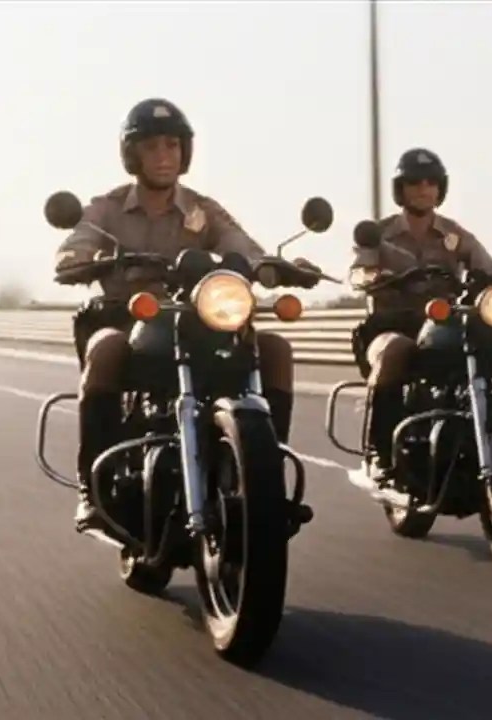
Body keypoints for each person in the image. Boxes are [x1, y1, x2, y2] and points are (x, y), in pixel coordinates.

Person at [54, 97, 319, 532]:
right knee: (104, 350)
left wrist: (279, 267)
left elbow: (244, 248)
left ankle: (266, 482)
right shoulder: (106, 208)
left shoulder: (203, 208)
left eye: (172, 146)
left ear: (185, 152)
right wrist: (86, 259)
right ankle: (92, 488)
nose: (163, 156)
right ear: (132, 154)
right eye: (152, 146)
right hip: (129, 317)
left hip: (196, 319)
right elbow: (72, 249)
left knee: (274, 350)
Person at [347, 147, 492, 485]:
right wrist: (373, 277)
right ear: (400, 188)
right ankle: (379, 451)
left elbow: (486, 264)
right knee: (395, 351)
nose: (424, 188)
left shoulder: (454, 235)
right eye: (415, 181)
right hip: (389, 325)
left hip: (442, 323)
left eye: (432, 182)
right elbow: (358, 270)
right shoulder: (380, 232)